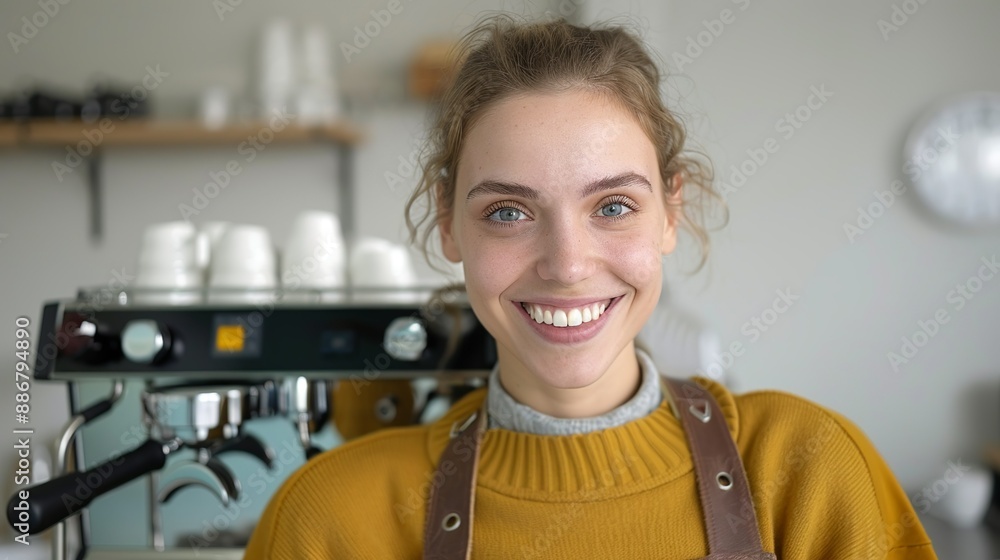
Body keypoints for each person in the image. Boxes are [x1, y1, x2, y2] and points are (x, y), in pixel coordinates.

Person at [244, 15, 937, 559]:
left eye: (612, 206)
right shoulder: (331, 519)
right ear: (448, 224)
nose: (567, 264)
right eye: (509, 212)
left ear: (672, 212)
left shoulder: (809, 471)